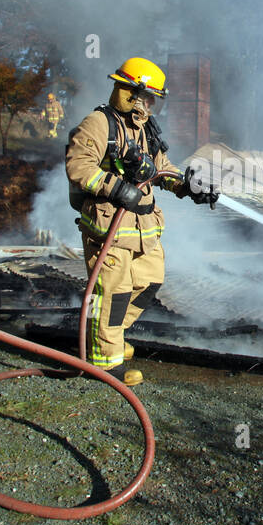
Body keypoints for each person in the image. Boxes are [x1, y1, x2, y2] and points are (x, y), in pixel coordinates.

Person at [64, 57, 214, 386]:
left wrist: (188, 186)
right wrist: (116, 188)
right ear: (130, 92)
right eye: (147, 97)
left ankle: (109, 336)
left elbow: (161, 167)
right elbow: (79, 167)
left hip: (144, 231)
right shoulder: (99, 124)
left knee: (149, 283)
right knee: (112, 294)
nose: (150, 104)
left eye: (153, 99)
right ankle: (105, 363)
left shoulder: (145, 129)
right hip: (110, 231)